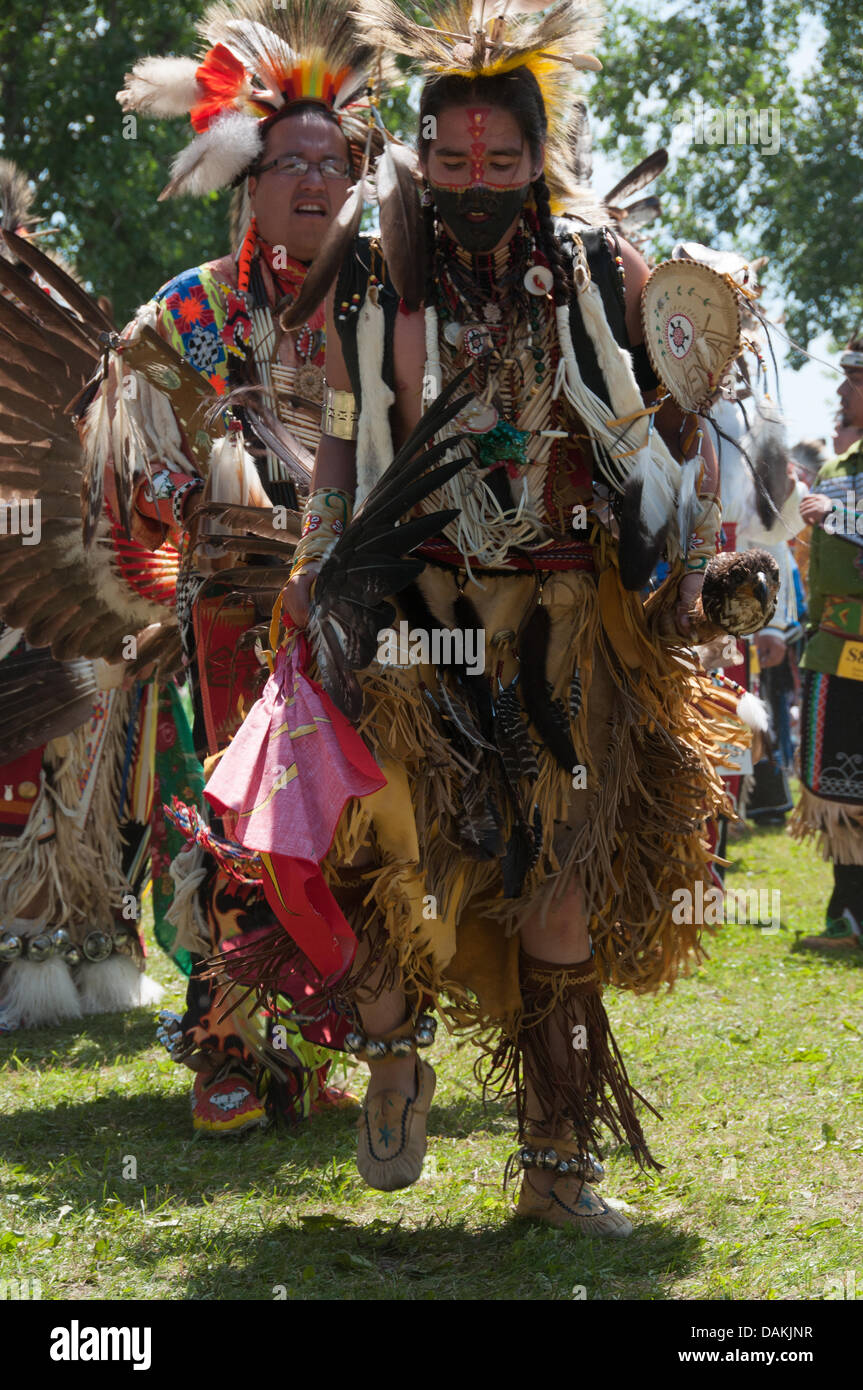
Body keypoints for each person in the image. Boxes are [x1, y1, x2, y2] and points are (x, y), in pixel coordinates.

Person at [210, 0, 761, 1233]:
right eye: (453, 162)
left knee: (556, 884)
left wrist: (685, 524)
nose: (475, 183)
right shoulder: (368, 271)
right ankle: (394, 1050)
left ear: (537, 156)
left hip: (567, 630)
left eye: (501, 162)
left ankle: (556, 1172)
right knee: (391, 859)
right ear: (420, 153)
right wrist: (313, 553)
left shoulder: (593, 267)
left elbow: (656, 433)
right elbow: (348, 443)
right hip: (411, 621)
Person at [90, 0, 383, 1131]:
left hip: (355, 620)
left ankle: (323, 1036)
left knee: (345, 828)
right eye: (290, 163)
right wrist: (204, 517)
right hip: (224, 629)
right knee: (228, 817)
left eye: (336, 163)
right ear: (244, 182)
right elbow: (126, 466)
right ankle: (223, 1041)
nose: (316, 182)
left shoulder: (380, 309)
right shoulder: (191, 314)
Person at [791, 339, 863, 950]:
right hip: (836, 644)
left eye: (856, 381)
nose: (842, 393)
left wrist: (836, 519)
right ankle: (848, 913)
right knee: (841, 785)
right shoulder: (842, 467)